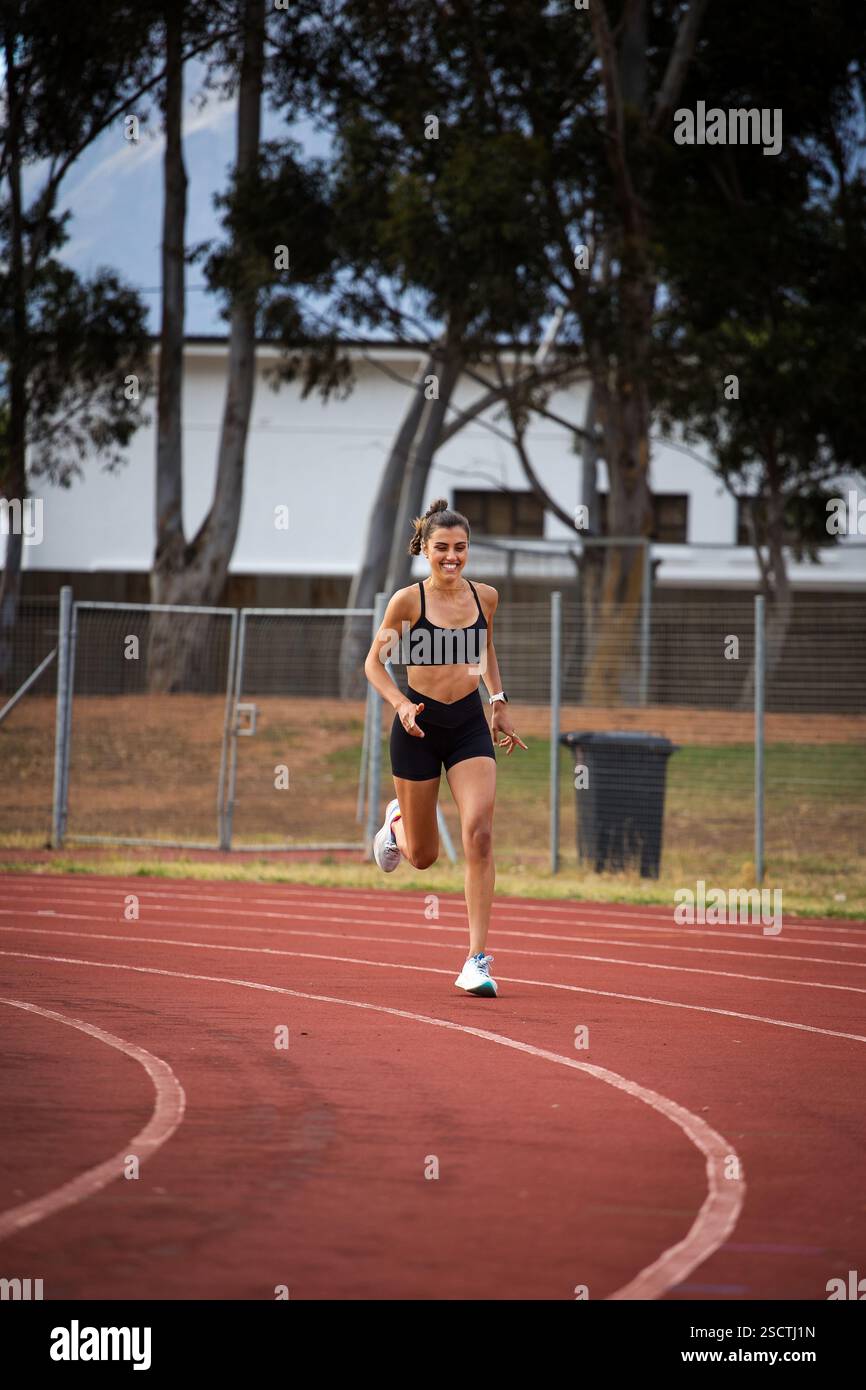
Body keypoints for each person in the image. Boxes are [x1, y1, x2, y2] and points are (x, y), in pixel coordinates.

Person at [363, 498, 527, 997]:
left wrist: (497, 701)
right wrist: (399, 705)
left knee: (479, 834)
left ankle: (476, 960)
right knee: (424, 858)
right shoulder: (407, 602)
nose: (451, 557)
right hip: (418, 725)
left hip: (468, 726)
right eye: (442, 549)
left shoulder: (486, 598)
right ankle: (396, 825)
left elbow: (486, 647)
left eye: (460, 549)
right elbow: (374, 664)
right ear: (425, 550)